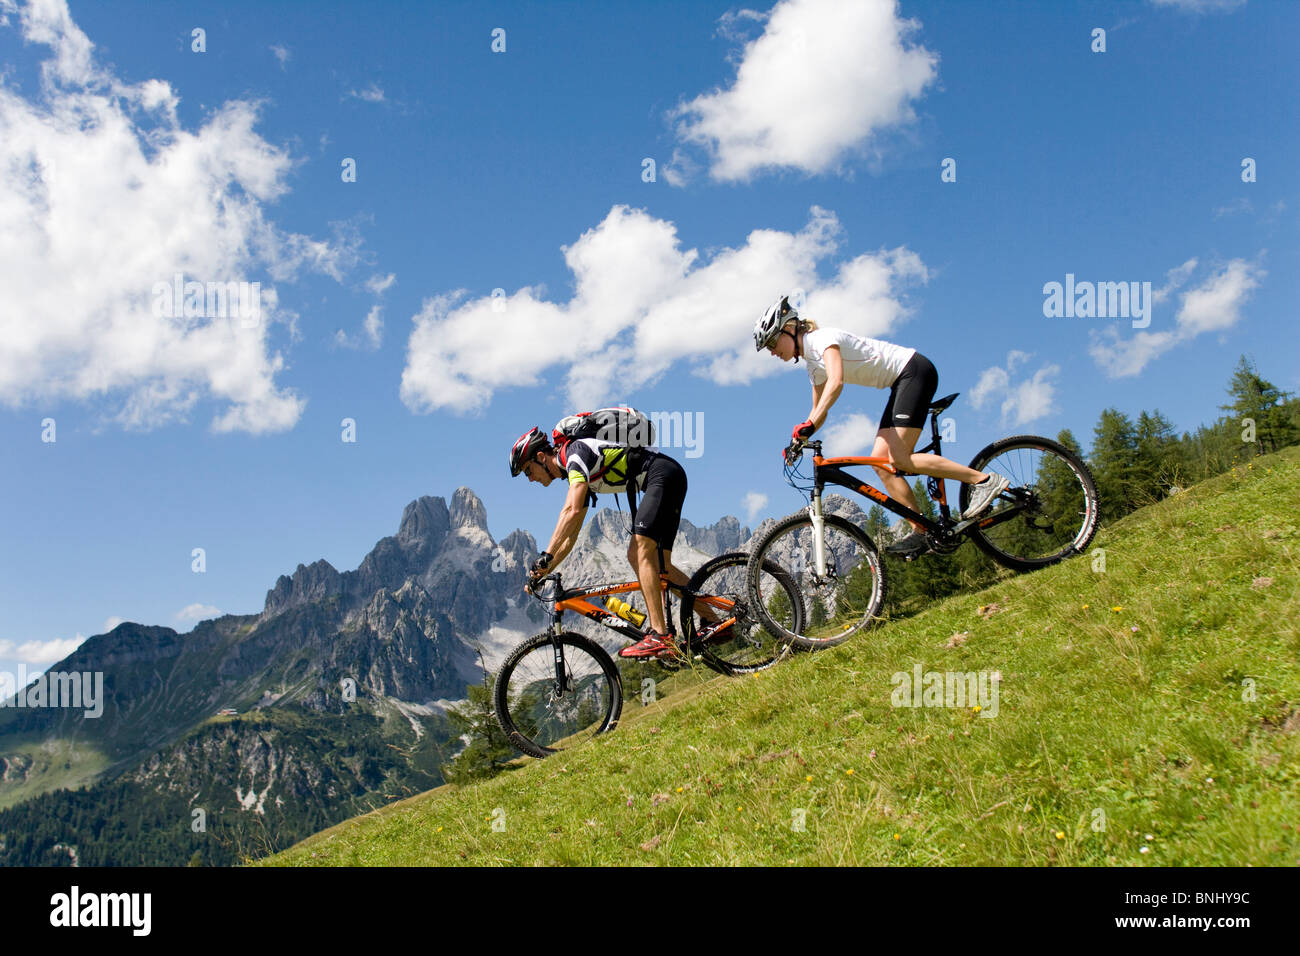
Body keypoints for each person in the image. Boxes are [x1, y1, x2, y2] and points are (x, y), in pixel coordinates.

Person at [753, 294, 1009, 558]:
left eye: (772, 341)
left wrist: (809, 424)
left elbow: (837, 381)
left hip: (914, 371)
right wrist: (800, 439)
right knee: (880, 462)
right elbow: (820, 410)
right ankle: (922, 530)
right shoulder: (813, 366)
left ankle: (984, 481)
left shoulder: (820, 339)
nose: (772, 351)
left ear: (791, 328)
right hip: (899, 383)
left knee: (901, 458)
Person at [509, 426, 717, 659]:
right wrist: (544, 571)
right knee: (660, 567)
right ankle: (713, 621)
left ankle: (660, 635)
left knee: (637, 553)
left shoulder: (575, 455)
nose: (529, 479)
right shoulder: (577, 475)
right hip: (668, 478)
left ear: (540, 457)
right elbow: (570, 536)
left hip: (662, 475)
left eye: (528, 470)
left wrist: (546, 553)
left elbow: (571, 509)